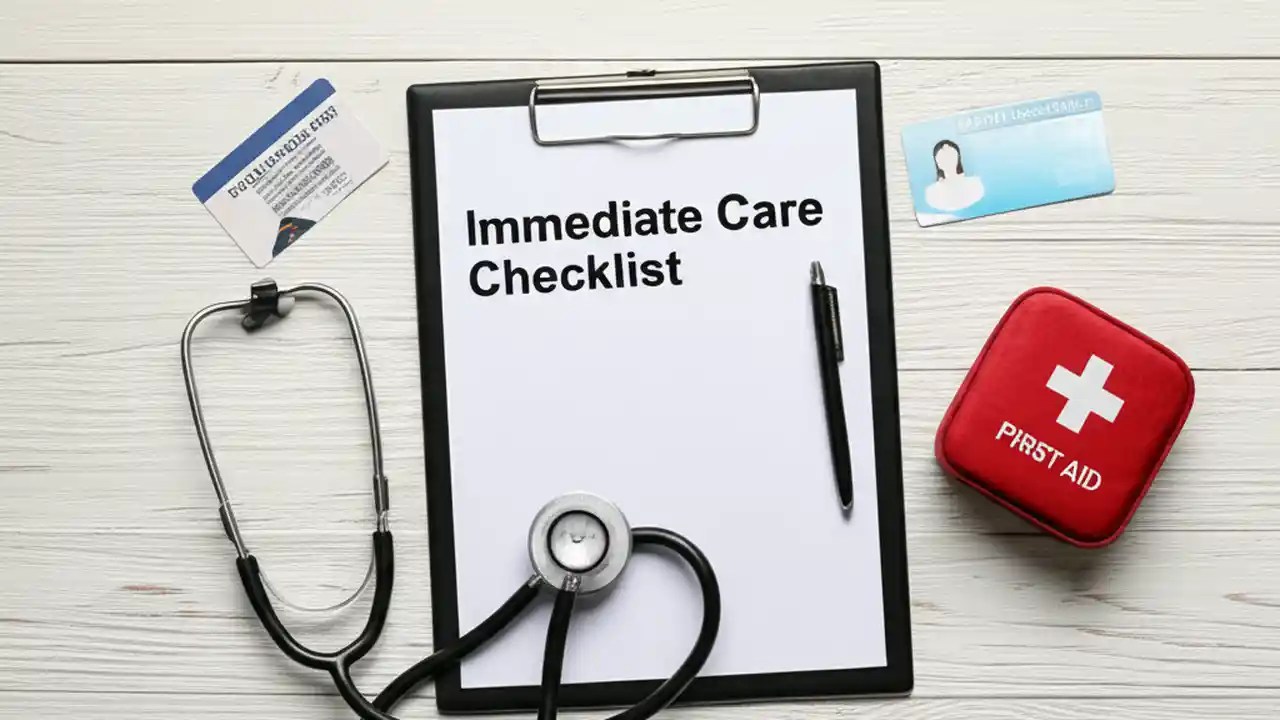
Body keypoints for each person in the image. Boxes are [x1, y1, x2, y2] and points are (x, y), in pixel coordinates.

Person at [925, 139, 985, 212]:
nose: (948, 160)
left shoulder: (975, 184)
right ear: (937, 164)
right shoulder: (931, 193)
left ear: (958, 158)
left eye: (951, 156)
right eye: (943, 158)